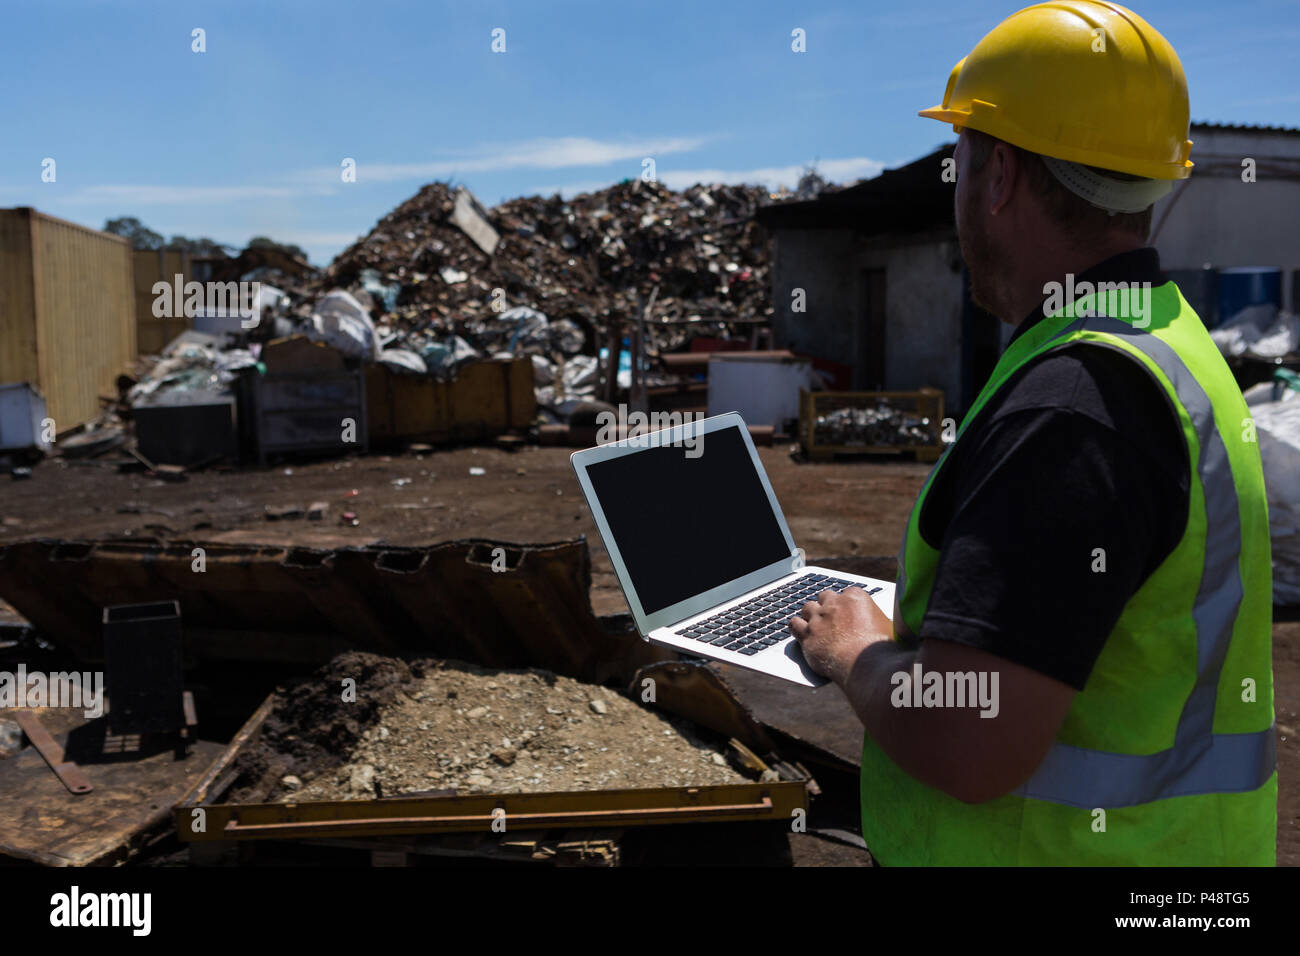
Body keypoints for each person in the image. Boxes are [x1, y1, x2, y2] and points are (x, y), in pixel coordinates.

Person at [790, 0, 1276, 865]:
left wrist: (857, 652)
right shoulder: (1168, 340)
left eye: (964, 160)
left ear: (1002, 174)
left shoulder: (1074, 402)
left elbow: (974, 737)